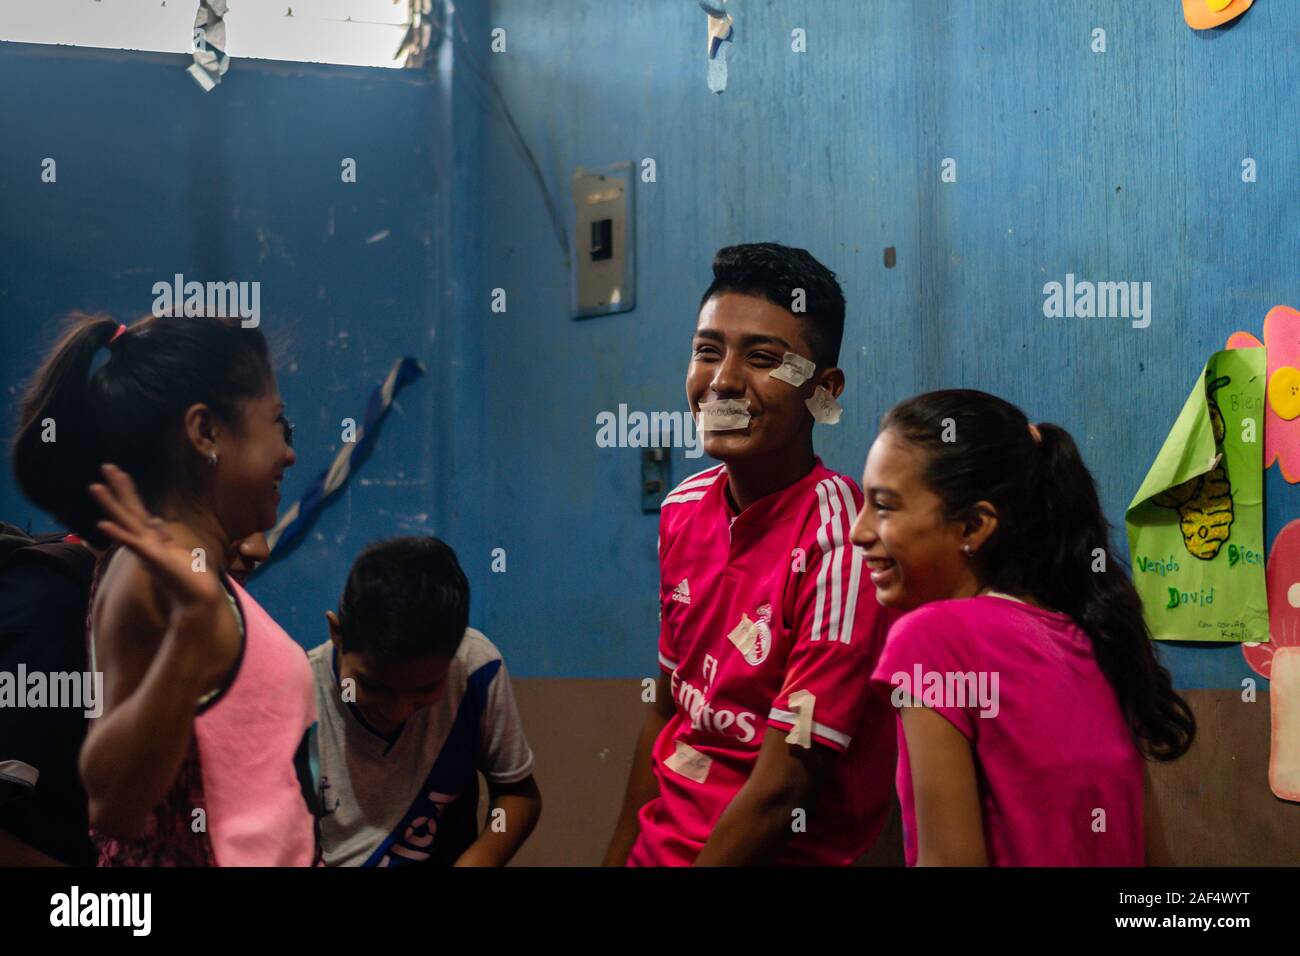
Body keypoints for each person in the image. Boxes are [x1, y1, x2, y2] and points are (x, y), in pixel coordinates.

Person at [604, 242, 900, 866]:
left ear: (823, 389)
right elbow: (667, 711)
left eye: (764, 359)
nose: (723, 382)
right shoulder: (683, 508)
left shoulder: (842, 537)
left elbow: (786, 783)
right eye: (707, 351)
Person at [12, 312, 316, 866]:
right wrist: (190, 630)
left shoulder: (193, 573)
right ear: (205, 433)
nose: (288, 452)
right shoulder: (154, 575)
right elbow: (115, 804)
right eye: (277, 423)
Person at [855, 389, 1195, 865]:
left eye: (885, 506)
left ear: (973, 526)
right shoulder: (1097, 638)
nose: (858, 530)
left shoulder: (931, 640)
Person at [311, 536, 541, 866]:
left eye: (424, 690)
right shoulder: (297, 693)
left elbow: (518, 795)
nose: (397, 711)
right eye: (374, 686)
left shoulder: (475, 667)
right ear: (337, 633)